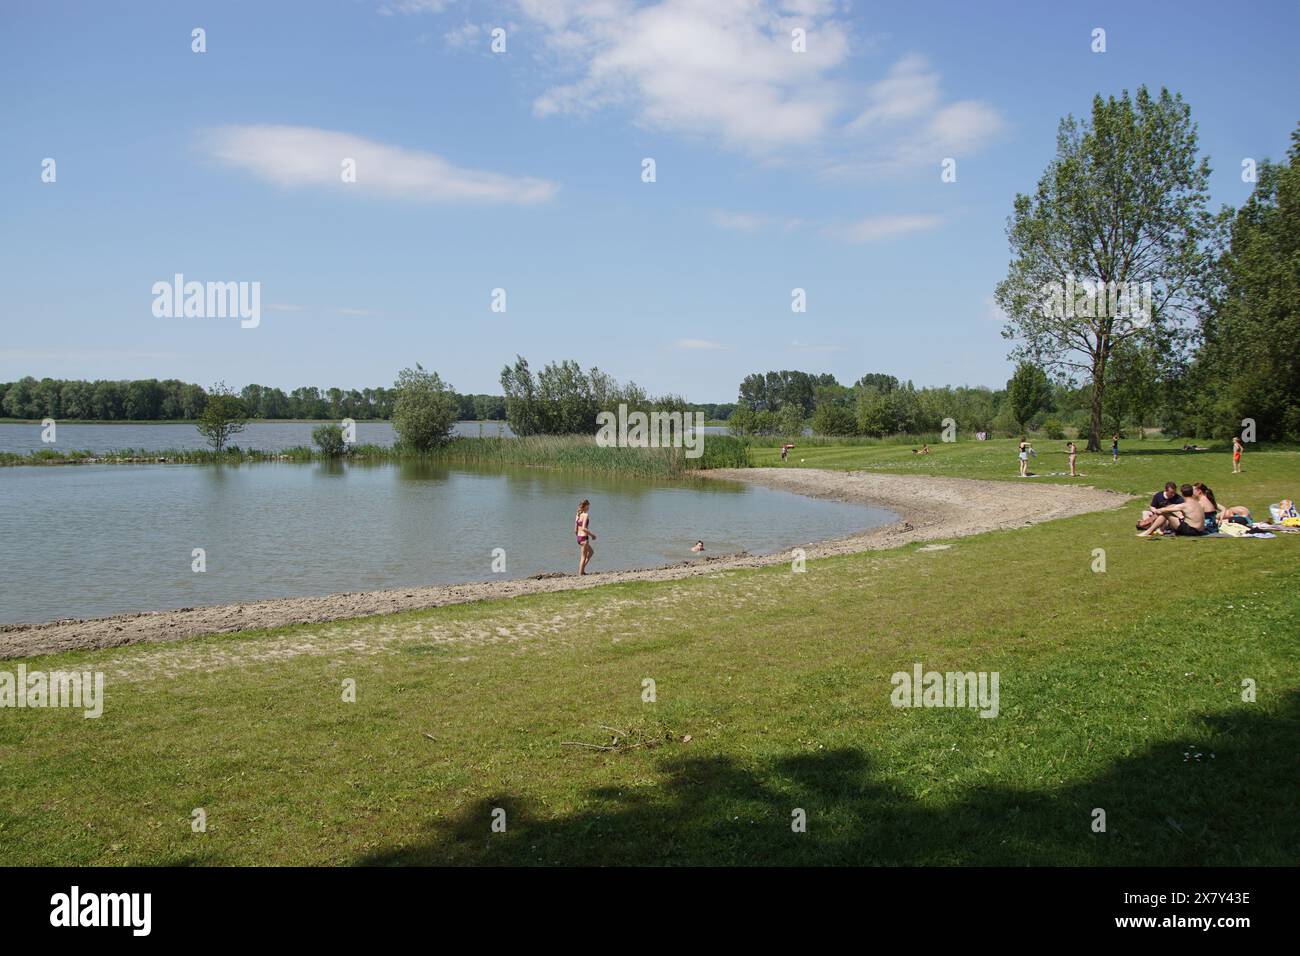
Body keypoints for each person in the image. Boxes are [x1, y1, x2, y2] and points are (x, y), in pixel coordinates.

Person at [1138, 484, 1205, 536]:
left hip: (1191, 531)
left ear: (1182, 493)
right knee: (1169, 510)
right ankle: (1157, 529)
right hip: (1200, 531)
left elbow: (1164, 511)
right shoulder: (1198, 503)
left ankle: (1148, 531)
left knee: (1166, 513)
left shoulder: (1184, 505)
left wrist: (1158, 510)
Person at [575, 499, 596, 575]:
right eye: (588, 505)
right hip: (584, 538)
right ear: (586, 506)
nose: (589, 507)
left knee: (591, 552)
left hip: (579, 538)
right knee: (583, 557)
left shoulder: (578, 514)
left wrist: (578, 537)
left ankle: (582, 570)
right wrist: (592, 535)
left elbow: (575, 530)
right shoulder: (585, 515)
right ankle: (580, 574)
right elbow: (584, 528)